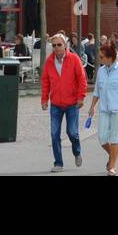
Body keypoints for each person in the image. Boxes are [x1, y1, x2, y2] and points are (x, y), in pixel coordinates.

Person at [40, 32, 88, 171]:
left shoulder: (74, 59)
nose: (56, 47)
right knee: (54, 134)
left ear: (65, 45)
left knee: (72, 132)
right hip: (56, 104)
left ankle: (77, 152)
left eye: (59, 45)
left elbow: (82, 79)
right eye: (53, 45)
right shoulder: (49, 61)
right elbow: (45, 82)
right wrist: (44, 99)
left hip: (72, 103)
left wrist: (81, 97)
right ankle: (58, 163)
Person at [88, 42, 118, 175]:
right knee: (102, 137)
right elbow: (97, 91)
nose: (99, 59)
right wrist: (92, 107)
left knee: (114, 137)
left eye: (102, 57)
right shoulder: (101, 71)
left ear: (110, 57)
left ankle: (112, 166)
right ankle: (112, 155)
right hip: (104, 109)